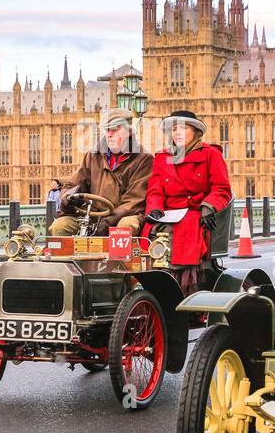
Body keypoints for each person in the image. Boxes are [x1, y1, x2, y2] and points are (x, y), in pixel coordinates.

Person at [144, 110, 232, 295]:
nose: (177, 133)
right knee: (145, 234)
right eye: (174, 129)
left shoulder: (210, 155)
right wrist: (154, 208)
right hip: (168, 213)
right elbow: (155, 190)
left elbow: (221, 189)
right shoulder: (162, 157)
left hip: (194, 212)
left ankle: (183, 290)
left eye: (183, 128)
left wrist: (209, 206)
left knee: (184, 234)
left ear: (195, 132)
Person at [49, 108, 153, 236]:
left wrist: (108, 221)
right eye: (107, 130)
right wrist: (67, 197)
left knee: (125, 227)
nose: (110, 134)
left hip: (124, 216)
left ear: (130, 131)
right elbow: (73, 184)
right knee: (60, 226)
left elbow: (134, 201)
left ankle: (118, 257)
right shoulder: (93, 156)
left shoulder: (143, 159)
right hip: (93, 215)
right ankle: (74, 257)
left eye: (115, 129)